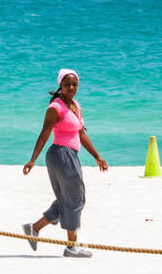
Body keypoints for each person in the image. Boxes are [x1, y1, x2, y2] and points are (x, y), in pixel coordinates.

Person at [22, 69, 107, 257]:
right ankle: (71, 247)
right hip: (60, 155)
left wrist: (97, 156)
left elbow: (81, 134)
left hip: (70, 155)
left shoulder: (75, 105)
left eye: (74, 84)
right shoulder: (56, 107)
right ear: (60, 85)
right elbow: (44, 134)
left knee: (69, 199)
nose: (71, 88)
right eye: (67, 84)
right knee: (75, 199)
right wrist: (32, 159)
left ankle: (34, 228)